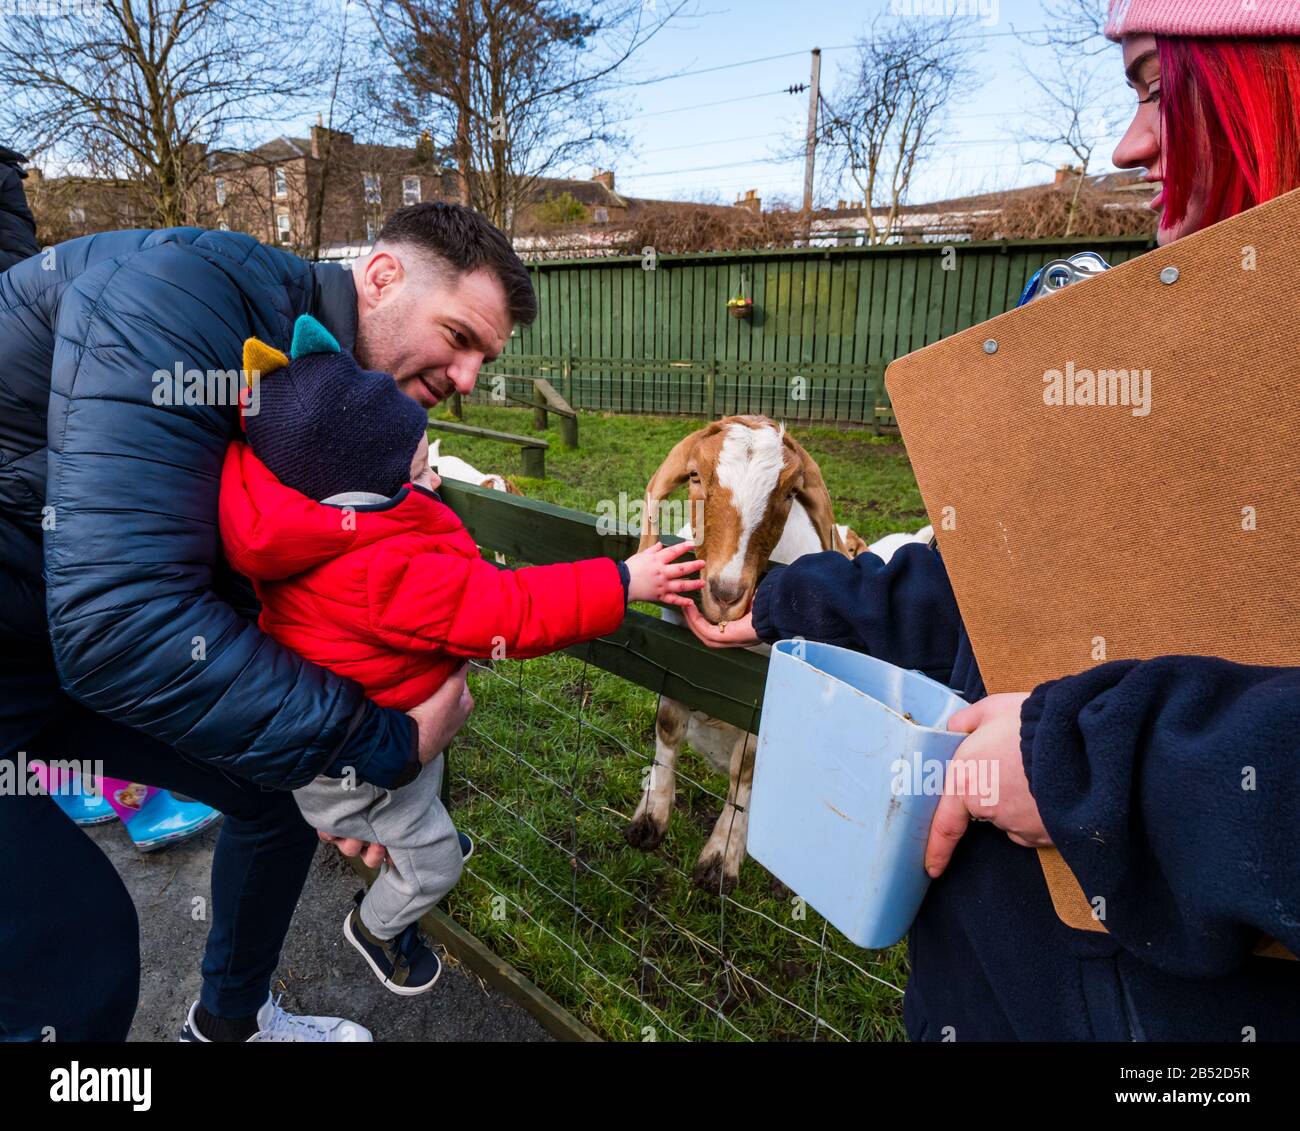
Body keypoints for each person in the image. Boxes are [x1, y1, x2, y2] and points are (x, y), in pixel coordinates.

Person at [683, 0, 1300, 1041]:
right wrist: (794, 598)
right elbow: (1013, 576)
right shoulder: (1211, 367)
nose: (1128, 142)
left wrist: (1074, 764)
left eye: (1155, 84)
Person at [0, 202, 531, 1042]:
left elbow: (237, 564)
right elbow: (122, 622)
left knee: (274, 791)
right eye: (459, 336)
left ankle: (228, 1025)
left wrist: (341, 755)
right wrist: (375, 741)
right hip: (51, 641)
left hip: (45, 633)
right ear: (383, 275)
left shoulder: (313, 391)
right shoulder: (181, 298)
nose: (468, 378)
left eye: (484, 359)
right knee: (71, 970)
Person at [218, 314, 703, 997]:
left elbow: (370, 513)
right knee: (436, 863)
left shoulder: (307, 523)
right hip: (362, 774)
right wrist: (623, 581)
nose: (428, 453)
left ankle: (418, 838)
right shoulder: (385, 568)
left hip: (353, 738)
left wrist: (407, 495)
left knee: (425, 784)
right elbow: (511, 609)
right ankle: (380, 924)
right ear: (370, 478)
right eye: (415, 448)